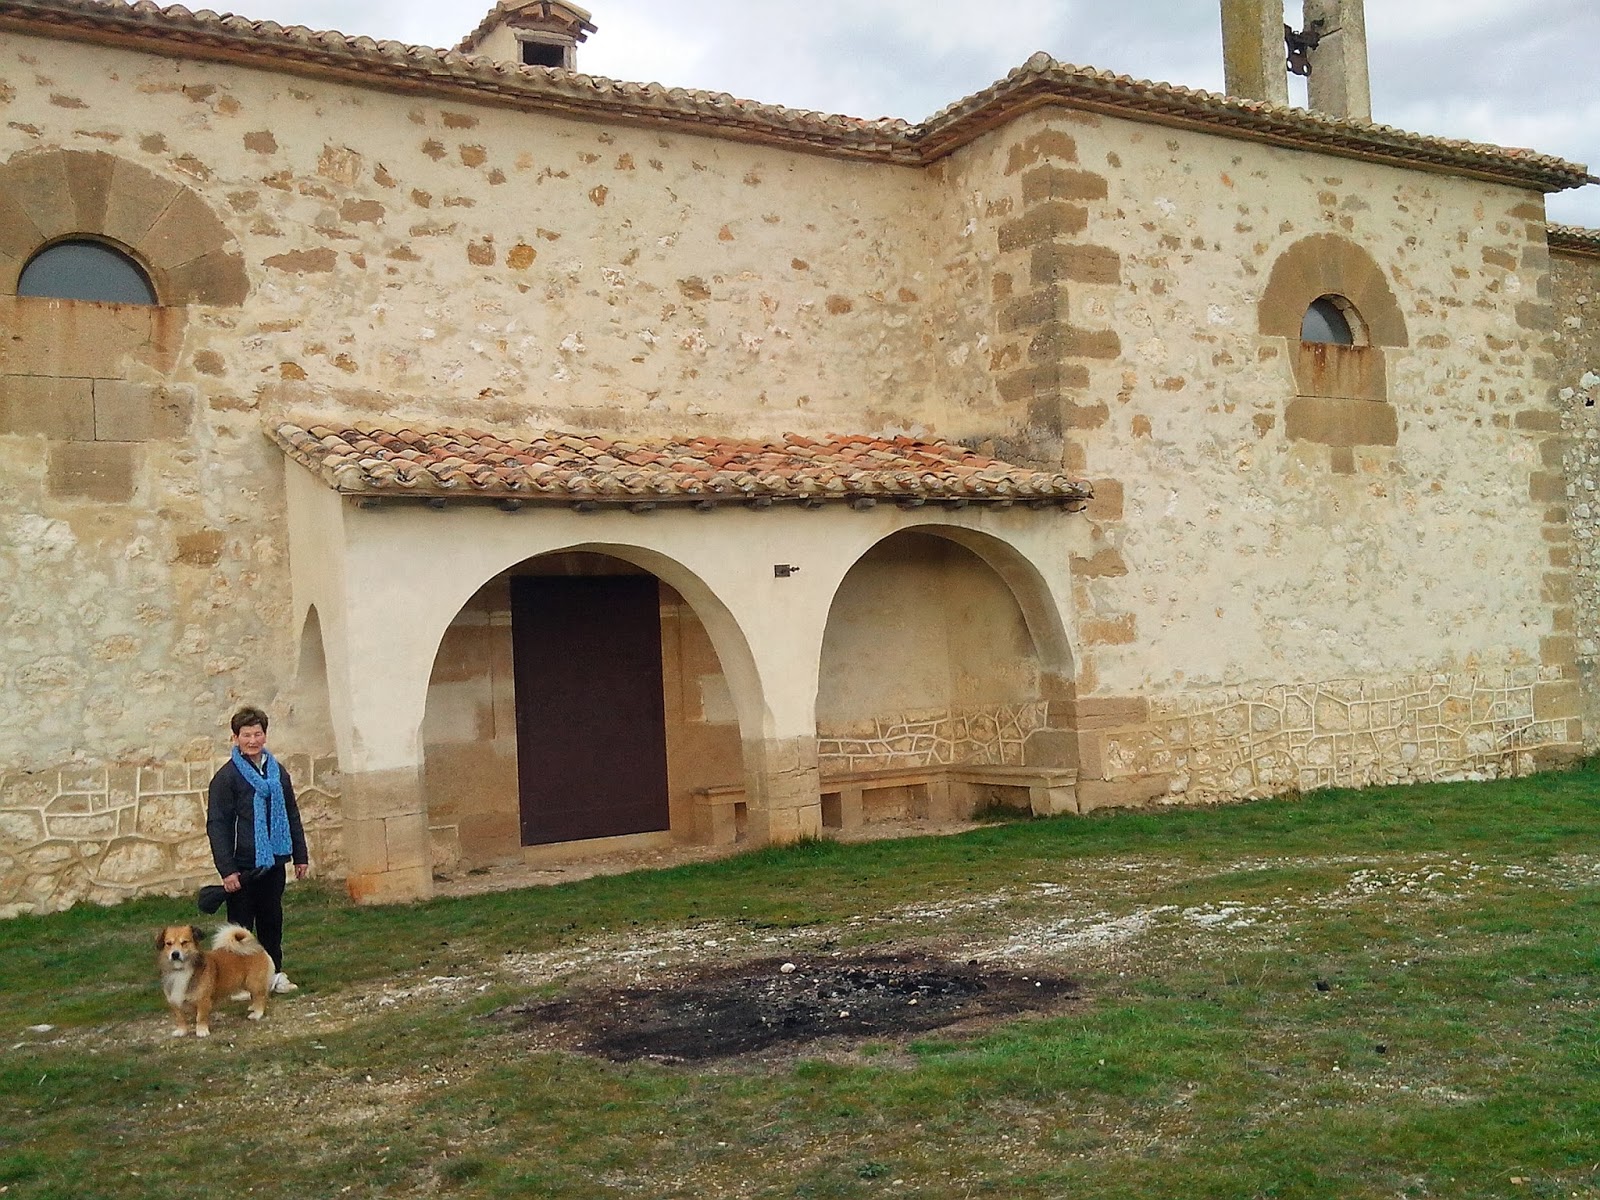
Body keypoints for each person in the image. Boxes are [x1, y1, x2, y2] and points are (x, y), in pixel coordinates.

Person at [206, 705, 310, 995]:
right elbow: (218, 825)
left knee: (271, 921)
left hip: (273, 862)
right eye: (246, 735)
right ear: (235, 737)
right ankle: (238, 981)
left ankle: (273, 973)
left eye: (258, 734)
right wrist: (227, 870)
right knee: (240, 928)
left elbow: (291, 813)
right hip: (243, 864)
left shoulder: (278, 774)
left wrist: (299, 856)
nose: (253, 740)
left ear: (265, 735)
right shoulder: (226, 779)